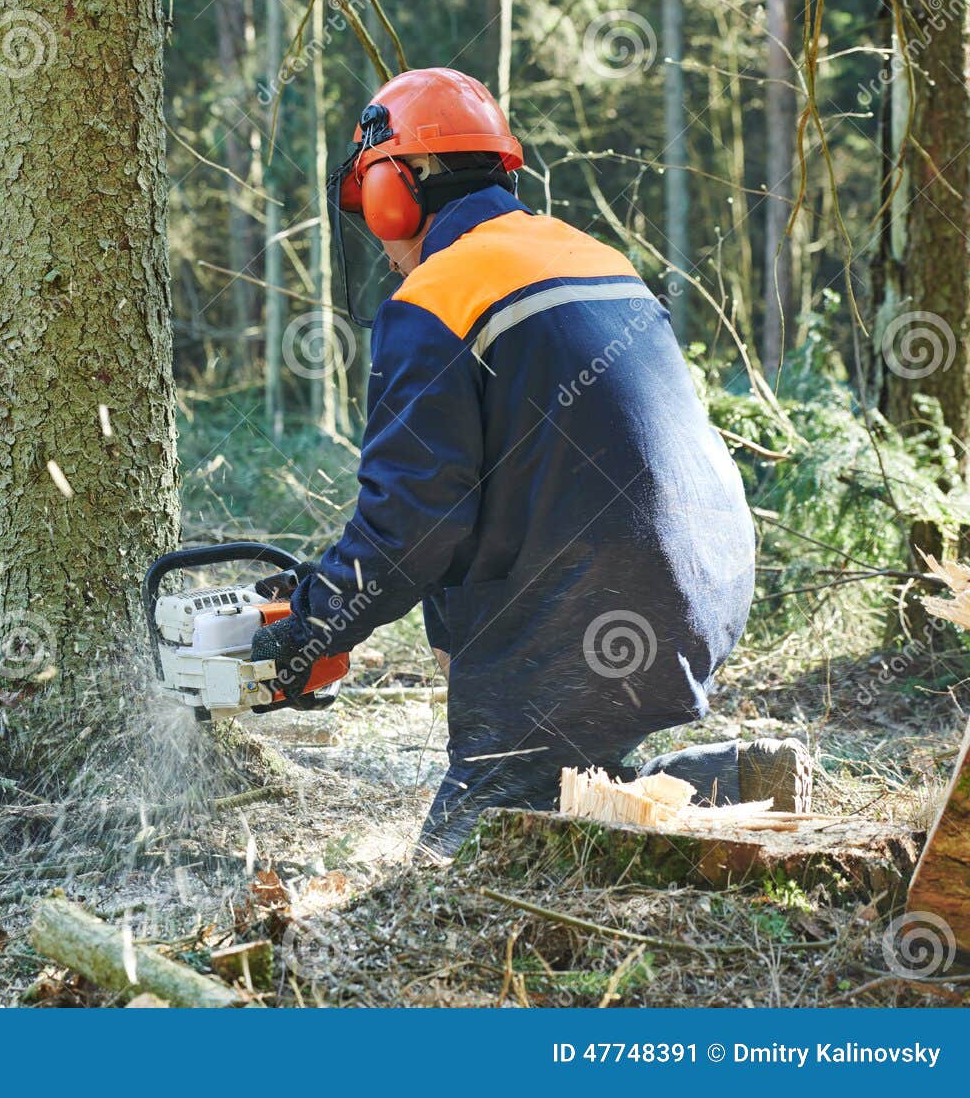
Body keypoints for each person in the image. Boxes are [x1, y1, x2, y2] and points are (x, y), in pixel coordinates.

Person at [249, 68, 808, 856]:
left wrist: (312, 621)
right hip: (703, 580)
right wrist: (446, 632)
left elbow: (410, 522)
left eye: (372, 206)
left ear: (391, 191)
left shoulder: (436, 298)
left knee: (464, 866)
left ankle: (516, 837)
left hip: (595, 601)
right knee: (571, 775)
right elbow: (497, 479)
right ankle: (727, 780)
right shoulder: (590, 254)